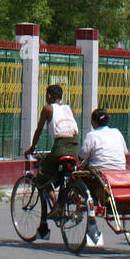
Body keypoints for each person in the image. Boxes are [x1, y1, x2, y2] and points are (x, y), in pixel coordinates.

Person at [25, 84, 79, 228]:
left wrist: (32, 148)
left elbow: (39, 130)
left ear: (49, 96)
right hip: (74, 146)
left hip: (60, 146)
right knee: (62, 173)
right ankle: (62, 202)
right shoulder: (70, 109)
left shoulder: (48, 109)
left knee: (42, 174)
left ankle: (56, 204)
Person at [78, 108, 129, 173]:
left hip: (99, 173)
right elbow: (125, 152)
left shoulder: (91, 135)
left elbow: (82, 156)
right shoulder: (117, 132)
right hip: (120, 171)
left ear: (93, 122)